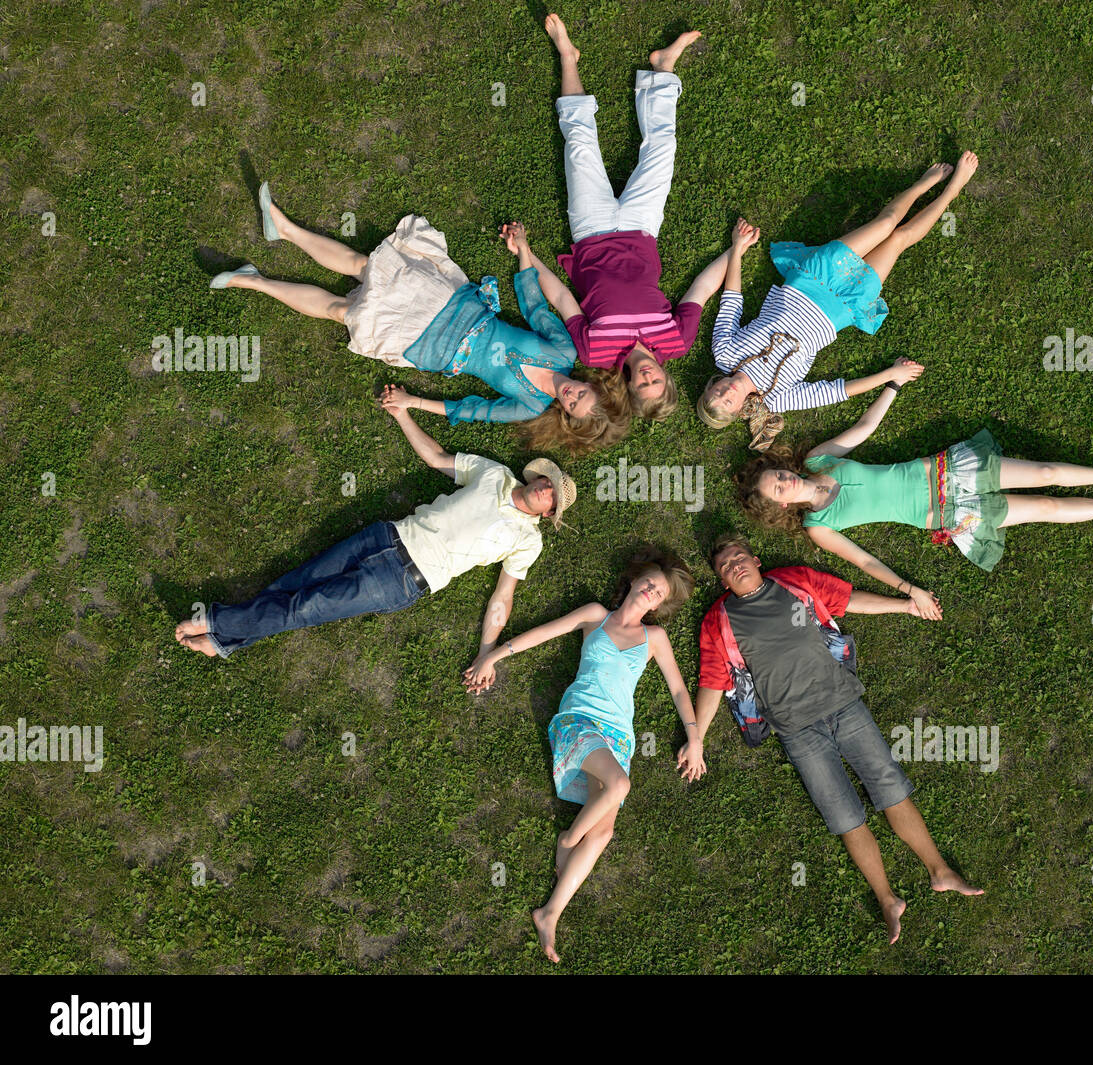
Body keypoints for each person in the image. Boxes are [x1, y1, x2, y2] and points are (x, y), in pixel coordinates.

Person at [687, 536, 981, 943]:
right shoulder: (718, 621)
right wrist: (696, 738)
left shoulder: (794, 581)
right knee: (844, 817)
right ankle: (887, 899)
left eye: (739, 557)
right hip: (796, 729)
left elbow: (847, 598)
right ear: (722, 581)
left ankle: (940, 871)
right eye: (725, 566)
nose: (734, 565)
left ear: (756, 559)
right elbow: (714, 683)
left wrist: (906, 604)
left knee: (891, 787)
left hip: (843, 703)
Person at [173, 387, 576, 674]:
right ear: (537, 476)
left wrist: (487, 651)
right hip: (386, 536)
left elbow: (502, 597)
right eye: (547, 481)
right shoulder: (495, 474)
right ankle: (224, 641)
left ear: (548, 513)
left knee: (305, 608)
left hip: (401, 580)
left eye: (551, 496)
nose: (545, 489)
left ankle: (215, 622)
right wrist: (404, 413)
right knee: (297, 582)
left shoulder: (528, 540)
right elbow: (437, 458)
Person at [208, 186, 628, 454]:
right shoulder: (564, 351)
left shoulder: (529, 406)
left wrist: (413, 402)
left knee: (343, 311)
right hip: (456, 306)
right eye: (583, 393)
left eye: (573, 406)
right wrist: (522, 251)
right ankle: (284, 229)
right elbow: (535, 305)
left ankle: (255, 282)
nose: (572, 395)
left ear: (566, 417)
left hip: (434, 349)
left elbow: (471, 410)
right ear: (592, 384)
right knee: (363, 266)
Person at [735, 364, 1093, 598]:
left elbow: (864, 429)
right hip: (947, 512)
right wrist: (911, 593)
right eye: (776, 490)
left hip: (946, 472)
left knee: (1046, 472)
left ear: (783, 467)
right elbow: (866, 563)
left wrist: (892, 382)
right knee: (1045, 508)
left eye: (777, 475)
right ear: (780, 507)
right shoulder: (818, 528)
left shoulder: (818, 460)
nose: (783, 482)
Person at [464, 548, 702, 964]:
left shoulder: (655, 639)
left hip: (619, 740)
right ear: (632, 582)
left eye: (658, 592)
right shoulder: (596, 615)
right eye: (648, 582)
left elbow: (679, 690)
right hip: (578, 722)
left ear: (660, 604)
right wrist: (495, 655)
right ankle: (568, 838)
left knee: (605, 832)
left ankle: (549, 912)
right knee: (619, 787)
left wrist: (694, 738)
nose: (650, 591)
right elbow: (543, 633)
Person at [520, 14, 735, 422]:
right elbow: (701, 290)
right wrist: (736, 250)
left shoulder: (594, 352)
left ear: (631, 387)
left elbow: (563, 299)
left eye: (643, 386)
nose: (650, 378)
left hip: (592, 230)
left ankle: (568, 58)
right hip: (642, 227)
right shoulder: (676, 341)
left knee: (580, 143)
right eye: (659, 383)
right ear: (668, 380)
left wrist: (526, 252)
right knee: (663, 149)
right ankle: (663, 67)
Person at [696, 155, 980, 449]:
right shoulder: (778, 396)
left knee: (885, 224)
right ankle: (952, 190)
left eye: (715, 392)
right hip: (843, 307)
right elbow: (835, 392)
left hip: (811, 278)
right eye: (727, 401)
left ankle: (923, 184)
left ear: (712, 385)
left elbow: (732, 301)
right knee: (899, 239)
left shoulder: (724, 353)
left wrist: (738, 250)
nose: (725, 391)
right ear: (739, 409)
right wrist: (890, 375)